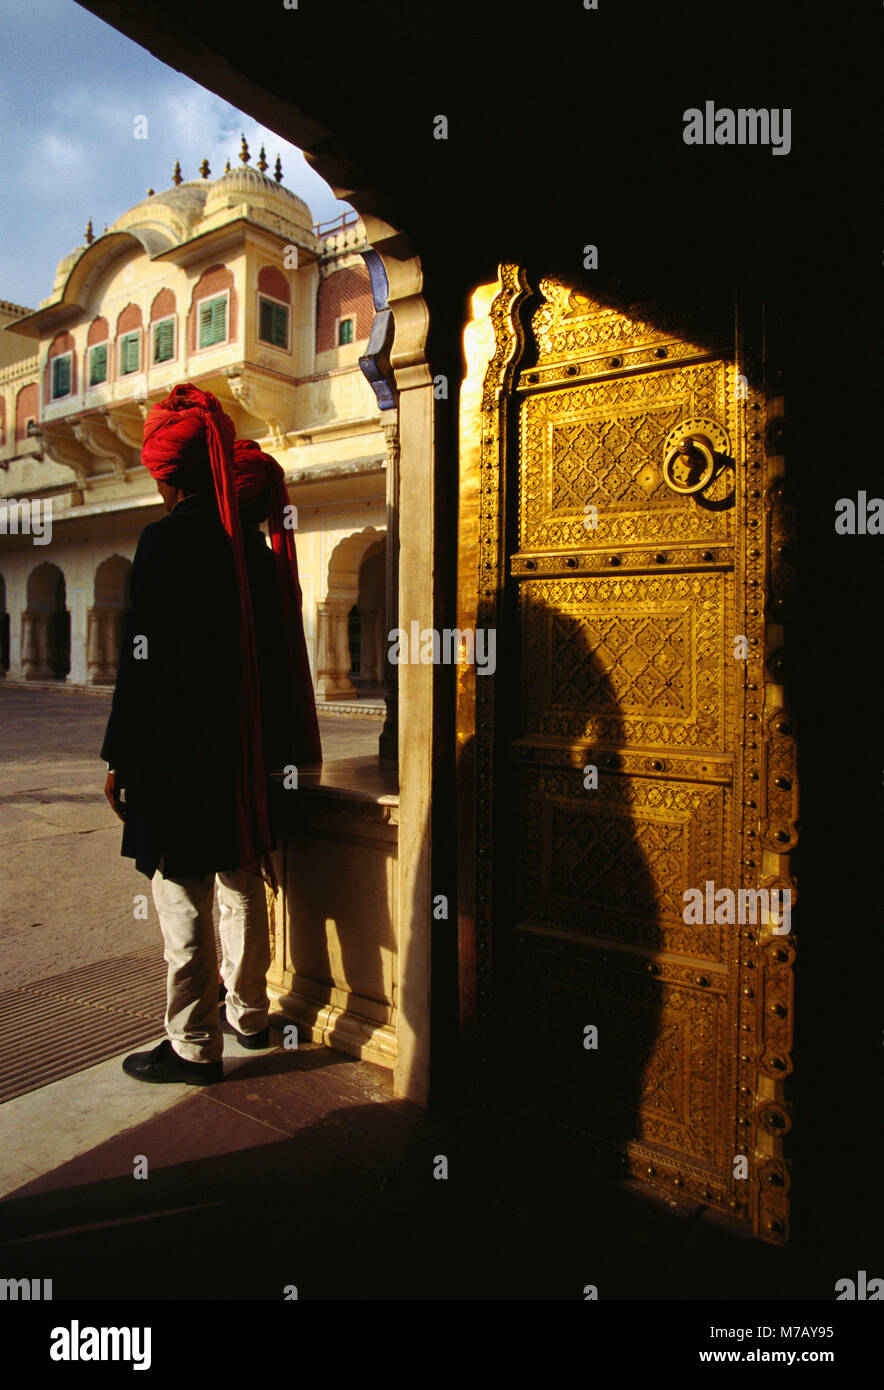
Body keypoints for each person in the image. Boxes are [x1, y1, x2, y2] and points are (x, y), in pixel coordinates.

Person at [102, 385, 288, 1085]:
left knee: (180, 894)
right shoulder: (250, 554)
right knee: (241, 881)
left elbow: (142, 659)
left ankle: (192, 1045)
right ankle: (250, 1016)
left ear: (162, 472)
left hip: (176, 756)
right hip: (238, 752)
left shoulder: (168, 540)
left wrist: (123, 755)